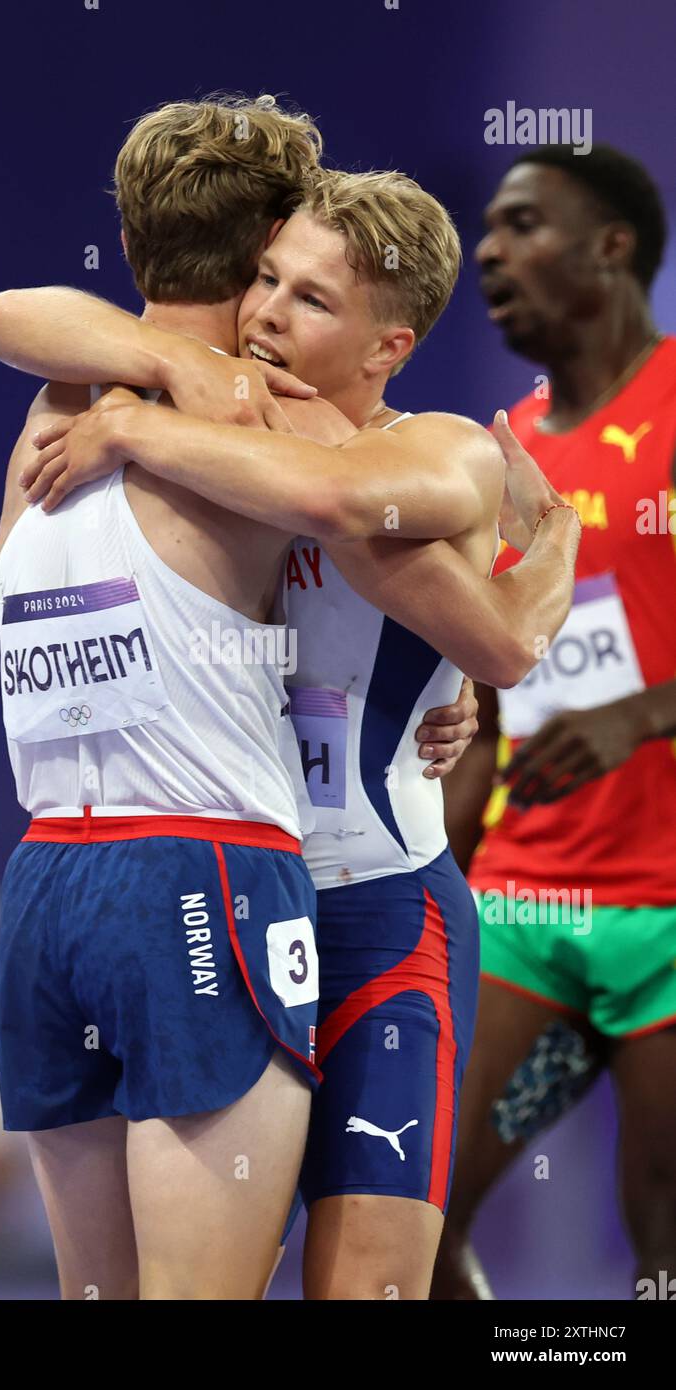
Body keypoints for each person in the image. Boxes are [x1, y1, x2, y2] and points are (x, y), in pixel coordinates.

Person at [0, 155, 581, 1298]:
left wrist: (553, 541)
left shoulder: (421, 450)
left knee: (368, 1290)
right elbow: (12, 314)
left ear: (385, 348)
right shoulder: (216, 404)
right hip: (231, 896)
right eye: (264, 278)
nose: (262, 312)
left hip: (374, 922)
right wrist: (149, 375)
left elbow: (492, 635)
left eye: (309, 299)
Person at [430, 144, 676, 1300]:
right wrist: (422, 888)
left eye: (521, 224)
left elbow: (623, 698)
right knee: (401, 1220)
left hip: (668, 916)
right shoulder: (498, 466)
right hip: (524, 905)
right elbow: (486, 708)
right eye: (482, 229)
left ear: (610, 246)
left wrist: (644, 713)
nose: (486, 250)